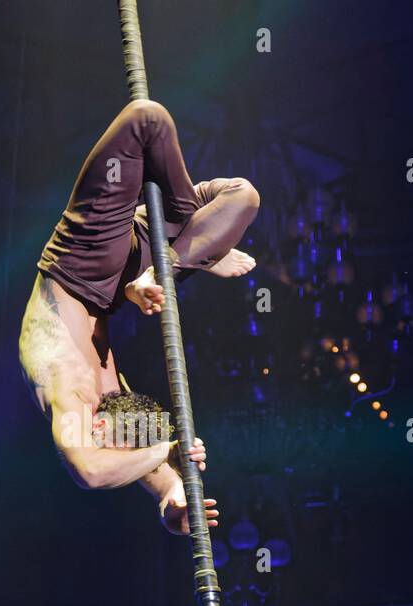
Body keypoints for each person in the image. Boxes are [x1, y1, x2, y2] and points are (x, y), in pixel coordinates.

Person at [18, 99, 260, 534]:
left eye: (126, 440)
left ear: (102, 435)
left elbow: (90, 472)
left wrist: (166, 451)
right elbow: (149, 460)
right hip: (132, 273)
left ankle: (191, 254)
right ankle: (191, 252)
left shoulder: (68, 393)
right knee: (243, 196)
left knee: (146, 119)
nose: (135, 437)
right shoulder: (115, 398)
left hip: (81, 262)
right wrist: (171, 495)